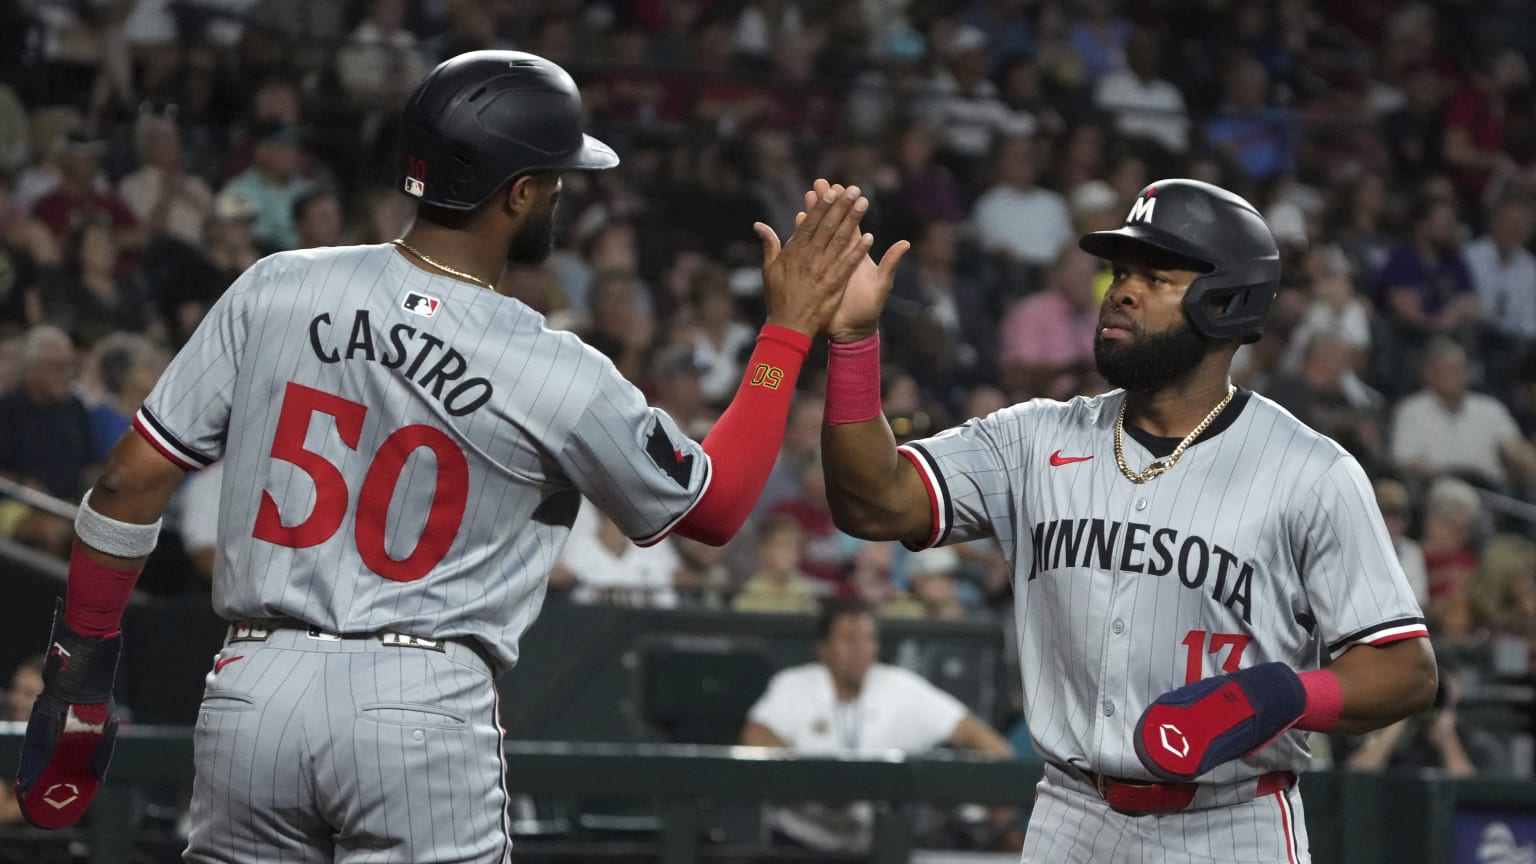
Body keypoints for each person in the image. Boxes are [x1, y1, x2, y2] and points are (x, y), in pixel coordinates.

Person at [12, 50, 878, 864]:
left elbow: (129, 480)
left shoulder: (278, 285)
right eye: (555, 183)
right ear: (518, 192)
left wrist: (79, 677)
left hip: (254, 682)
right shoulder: (554, 367)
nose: (560, 199)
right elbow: (717, 509)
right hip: (418, 695)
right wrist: (789, 329)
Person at [816, 177, 1437, 862]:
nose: (1120, 290)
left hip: (1231, 822)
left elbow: (1406, 669)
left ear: (1225, 301)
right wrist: (852, 343)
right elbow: (874, 501)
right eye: (1121, 271)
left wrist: (1283, 693)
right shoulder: (1032, 439)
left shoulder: (1310, 471)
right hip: (1070, 814)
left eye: (1156, 276)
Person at [741, 598, 1013, 853]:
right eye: (849, 640)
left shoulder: (900, 687)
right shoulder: (795, 685)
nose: (861, 649)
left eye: (868, 639)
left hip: (875, 847)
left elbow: (985, 740)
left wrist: (1001, 794)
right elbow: (755, 741)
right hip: (799, 844)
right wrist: (818, 785)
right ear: (824, 648)